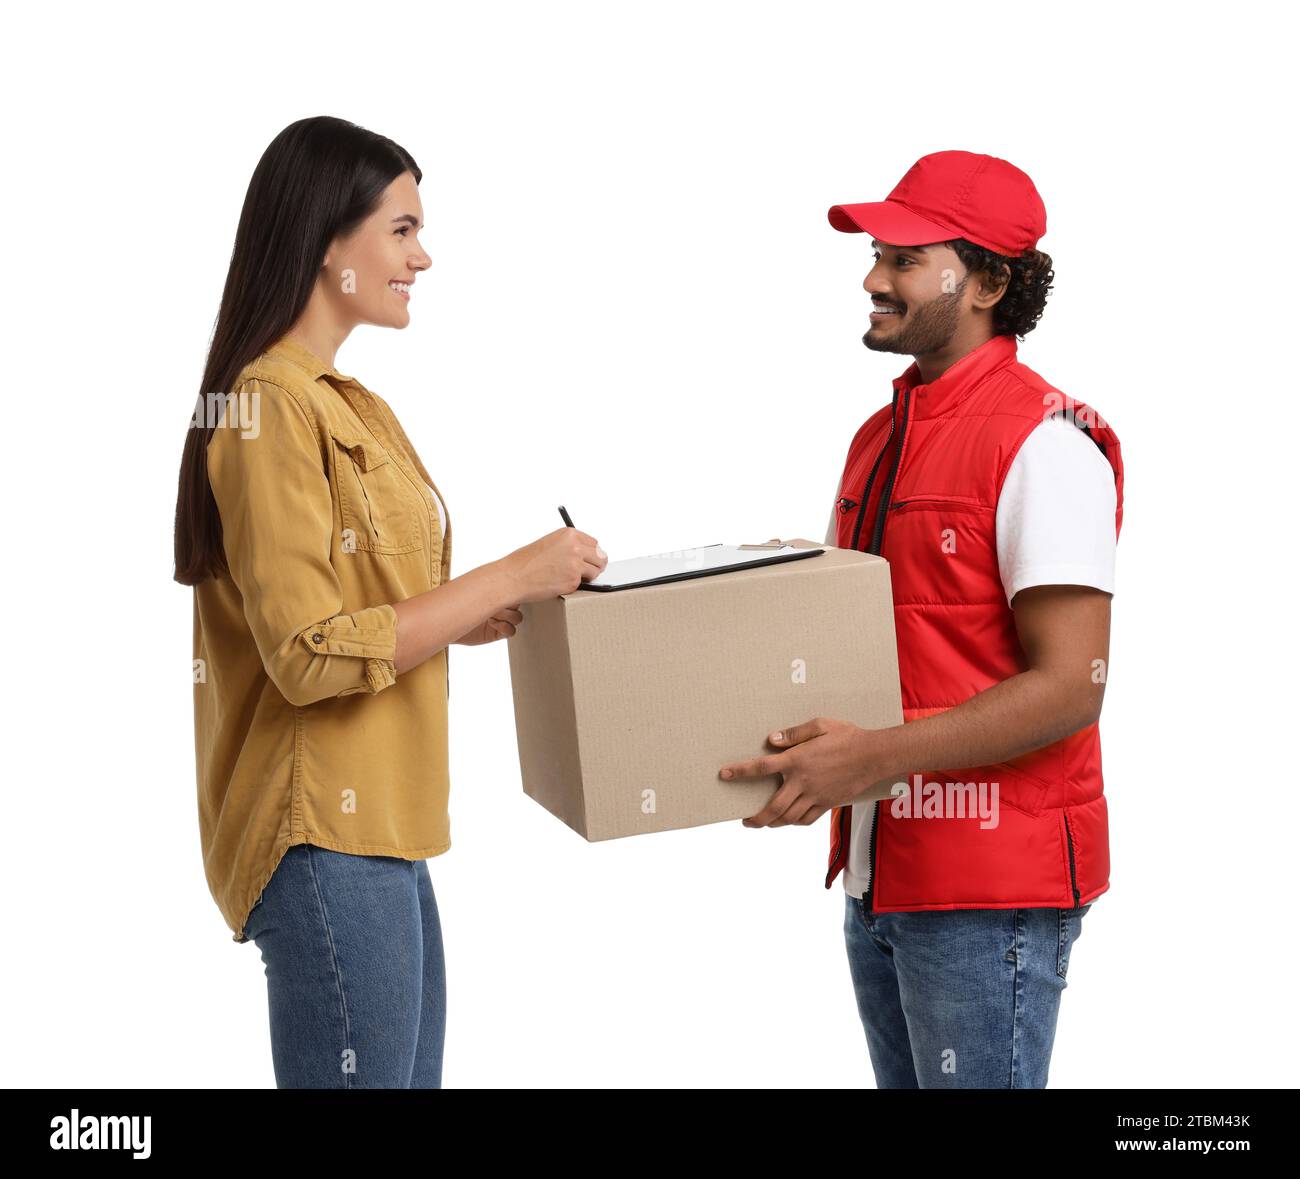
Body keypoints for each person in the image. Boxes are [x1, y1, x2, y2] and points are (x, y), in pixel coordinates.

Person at [172, 116, 606, 1088]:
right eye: (402, 230)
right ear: (330, 239)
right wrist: (509, 575)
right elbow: (311, 653)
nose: (425, 256)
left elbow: (370, 611)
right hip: (322, 824)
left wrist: (481, 609)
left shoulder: (349, 404)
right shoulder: (268, 407)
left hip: (384, 830)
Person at [719, 150, 1122, 1088]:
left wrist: (875, 756)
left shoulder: (1045, 443)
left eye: (903, 256)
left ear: (985, 280)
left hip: (987, 886)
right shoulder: (881, 434)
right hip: (881, 867)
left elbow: (1073, 687)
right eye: (876, 253)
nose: (872, 277)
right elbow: (865, 634)